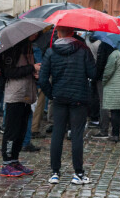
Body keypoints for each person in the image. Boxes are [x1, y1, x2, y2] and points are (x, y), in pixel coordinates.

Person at [38, 26, 98, 185]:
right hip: (79, 98)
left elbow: (43, 79)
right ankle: (78, 173)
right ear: (73, 32)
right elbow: (93, 74)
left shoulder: (51, 52)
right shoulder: (83, 50)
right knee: (77, 134)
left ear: (59, 33)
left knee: (57, 134)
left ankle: (55, 172)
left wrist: (52, 94)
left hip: (59, 98)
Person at [0, 35, 40, 177]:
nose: (36, 35)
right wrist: (31, 68)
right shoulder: (13, 49)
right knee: (12, 130)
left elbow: (27, 70)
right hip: (15, 94)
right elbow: (9, 72)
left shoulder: (29, 47)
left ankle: (15, 160)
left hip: (27, 94)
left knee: (21, 130)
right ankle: (6, 163)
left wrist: (34, 72)